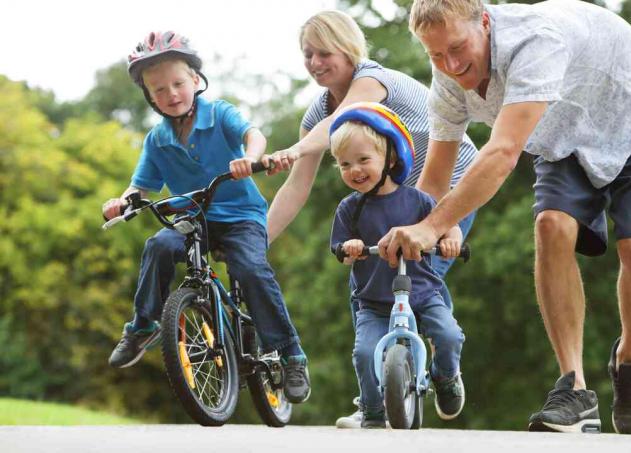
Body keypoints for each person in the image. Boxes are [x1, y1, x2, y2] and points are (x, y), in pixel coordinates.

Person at [379, 0, 631, 434]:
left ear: (484, 21)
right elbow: (436, 176)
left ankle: (629, 358)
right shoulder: (447, 79)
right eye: (436, 55)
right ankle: (574, 389)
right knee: (550, 224)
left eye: (458, 47)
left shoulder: (534, 40)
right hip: (560, 127)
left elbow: (502, 153)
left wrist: (433, 226)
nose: (450, 63)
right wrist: (408, 228)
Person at [262, 9, 479, 428]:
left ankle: (444, 367)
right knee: (374, 277)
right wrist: (260, 241)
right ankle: (376, 396)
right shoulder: (316, 115)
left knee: (422, 277)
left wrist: (296, 147)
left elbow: (338, 122)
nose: (314, 63)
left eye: (324, 52)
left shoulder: (372, 79)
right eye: (308, 54)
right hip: (386, 202)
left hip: (446, 186)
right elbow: (296, 188)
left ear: (348, 49)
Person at [101, 31, 310, 403]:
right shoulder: (156, 140)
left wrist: (250, 156)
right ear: (150, 96)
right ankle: (142, 326)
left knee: (250, 268)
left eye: (178, 83)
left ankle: (291, 353)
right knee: (159, 245)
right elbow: (141, 188)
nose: (171, 94)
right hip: (194, 219)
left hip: (241, 216)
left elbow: (253, 134)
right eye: (159, 90)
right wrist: (122, 201)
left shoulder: (219, 113)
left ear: (195, 81)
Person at [329, 102, 466, 428]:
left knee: (448, 335)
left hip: (422, 293)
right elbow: (340, 248)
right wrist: (350, 248)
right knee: (365, 354)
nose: (354, 170)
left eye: (363, 160)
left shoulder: (417, 200)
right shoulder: (350, 209)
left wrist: (451, 240)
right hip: (375, 300)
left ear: (390, 158)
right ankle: (373, 411)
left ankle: (445, 378)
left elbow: (448, 223)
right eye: (344, 164)